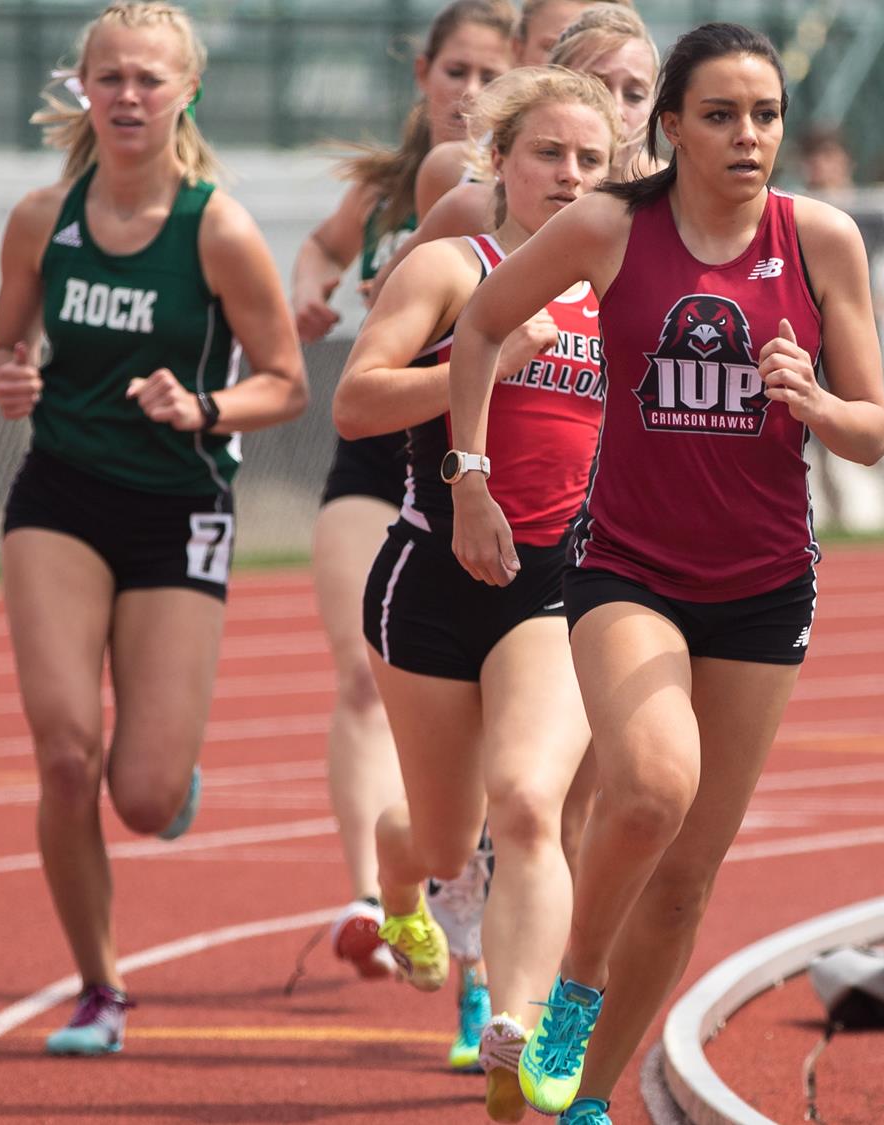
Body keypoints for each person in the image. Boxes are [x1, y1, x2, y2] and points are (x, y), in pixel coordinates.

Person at [440, 23, 884, 1124]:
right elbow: (482, 323)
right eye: (723, 115)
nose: (749, 137)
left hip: (766, 583)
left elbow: (870, 429)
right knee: (646, 786)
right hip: (627, 569)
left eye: (766, 115)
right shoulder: (609, 226)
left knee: (686, 877)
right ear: (671, 125)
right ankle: (571, 994)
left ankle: (583, 1102)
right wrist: (468, 476)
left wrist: (815, 402)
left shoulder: (821, 239)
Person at [0, 0, 307, 1057]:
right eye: (109, 77)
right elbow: (5, 353)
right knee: (65, 755)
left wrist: (204, 408)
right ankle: (100, 987)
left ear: (185, 94)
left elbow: (288, 385)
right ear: (82, 87)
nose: (127, 95)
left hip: (180, 507)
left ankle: (168, 781)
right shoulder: (42, 219)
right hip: (62, 497)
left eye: (148, 80)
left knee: (142, 792)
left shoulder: (216, 227)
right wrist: (13, 376)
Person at [330, 65, 621, 1124]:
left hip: (556, 583)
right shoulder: (454, 267)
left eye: (591, 160)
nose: (569, 175)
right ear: (499, 162)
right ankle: (397, 876)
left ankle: (519, 1019)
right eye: (548, 152)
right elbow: (355, 404)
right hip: (429, 577)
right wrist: (480, 368)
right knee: (450, 843)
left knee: (531, 805)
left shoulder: (622, 288)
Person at [288, 0, 513, 1071]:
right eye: (454, 69)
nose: (467, 90)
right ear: (422, 72)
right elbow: (320, 254)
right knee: (360, 675)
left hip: (481, 456)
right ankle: (371, 896)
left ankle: (478, 981)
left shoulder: (529, 191)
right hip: (383, 454)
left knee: (497, 766)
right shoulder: (400, 186)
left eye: (489, 71)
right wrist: (312, 297)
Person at [379, 4, 657, 305]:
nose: (615, 109)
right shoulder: (463, 192)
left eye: (634, 95)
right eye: (595, 87)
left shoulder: (674, 198)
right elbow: (388, 305)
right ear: (554, 84)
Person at [411, 0, 637, 220]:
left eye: (589, 159)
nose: (572, 64)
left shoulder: (653, 185)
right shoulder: (454, 178)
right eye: (555, 46)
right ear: (518, 50)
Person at [798, 123, 884, 529]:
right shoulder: (802, 210)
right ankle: (836, 517)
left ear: (844, 160)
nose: (820, 166)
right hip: (815, 336)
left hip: (859, 336)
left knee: (864, 424)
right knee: (815, 431)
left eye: (828, 155)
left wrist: (881, 303)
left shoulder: (865, 209)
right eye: (813, 157)